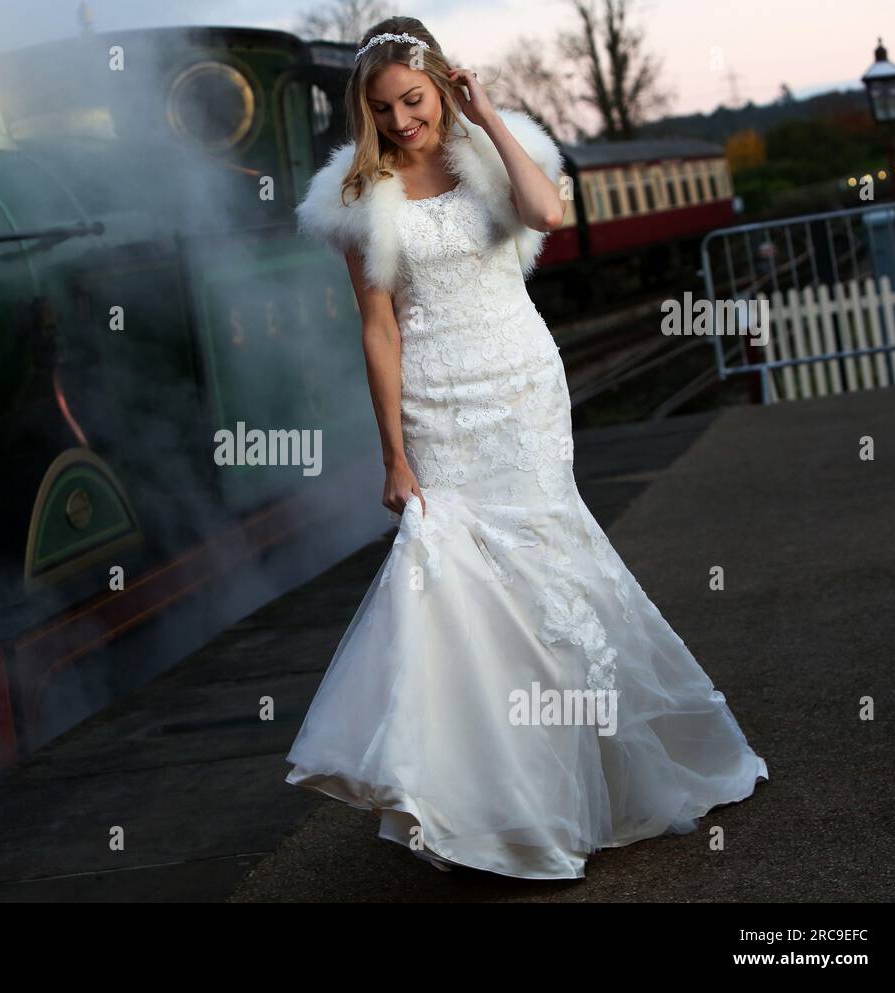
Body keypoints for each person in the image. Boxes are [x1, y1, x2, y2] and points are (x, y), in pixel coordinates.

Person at [283, 16, 768, 878]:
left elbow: (548, 211)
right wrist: (393, 454)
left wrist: (489, 116)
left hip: (520, 391)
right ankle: (493, 801)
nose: (401, 122)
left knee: (548, 570)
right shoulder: (358, 198)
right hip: (437, 404)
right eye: (383, 108)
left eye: (415, 100)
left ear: (441, 85)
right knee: (453, 586)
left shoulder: (492, 156)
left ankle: (586, 781)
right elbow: (379, 331)